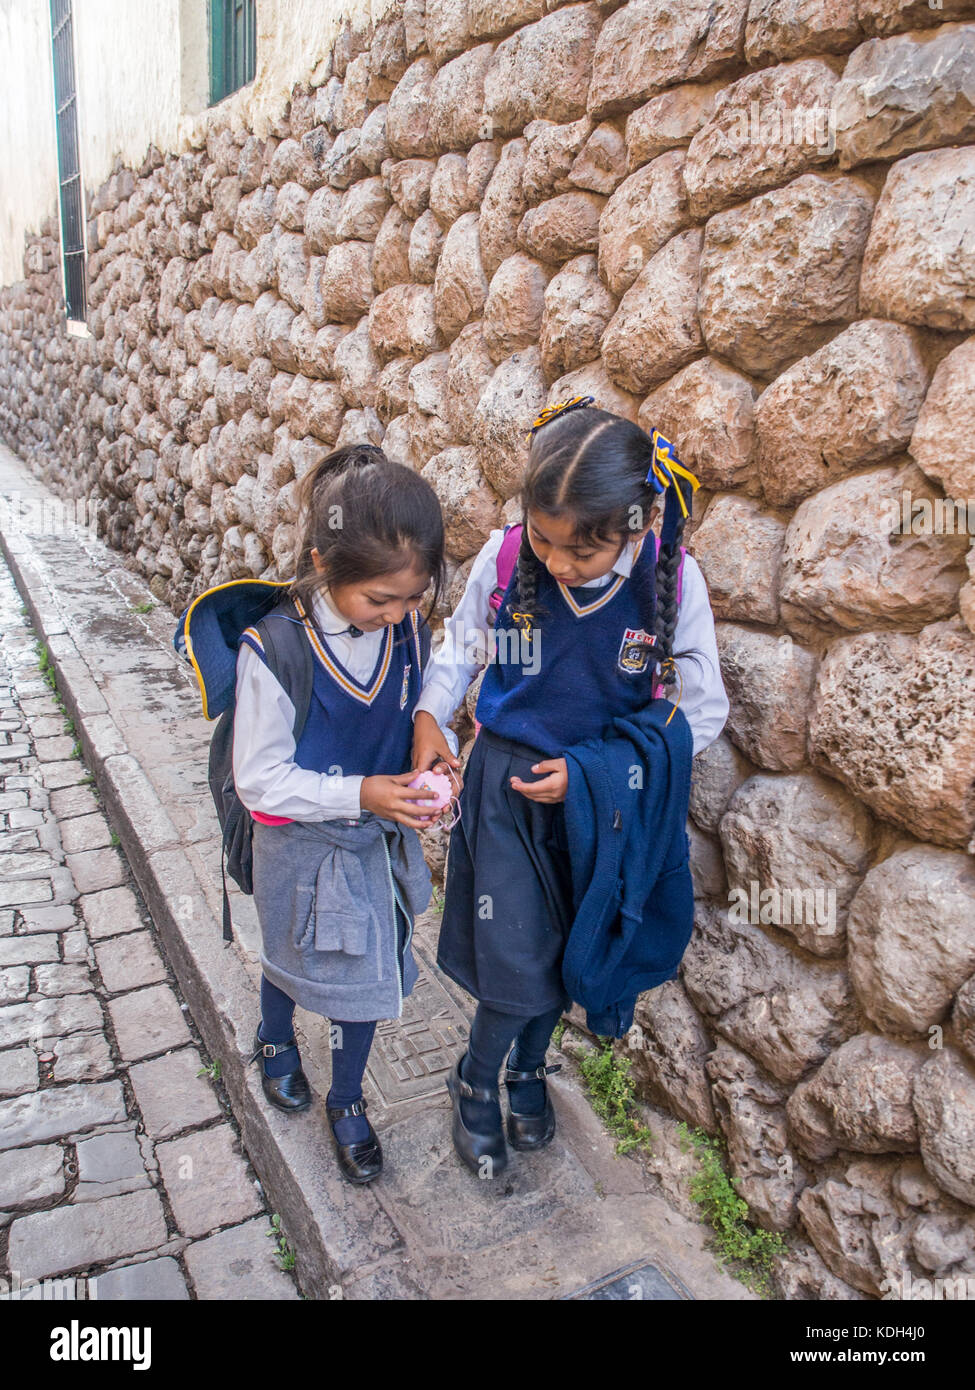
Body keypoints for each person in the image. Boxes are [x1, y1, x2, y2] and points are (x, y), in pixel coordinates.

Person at [412, 399, 730, 1178]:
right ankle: (475, 1080)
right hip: (505, 788)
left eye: (578, 553)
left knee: (560, 958)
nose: (555, 563)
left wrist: (596, 774)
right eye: (544, 540)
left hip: (599, 807)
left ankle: (526, 1073)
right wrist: (429, 716)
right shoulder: (505, 556)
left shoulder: (670, 581)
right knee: (516, 956)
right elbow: (460, 650)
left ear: (632, 525)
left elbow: (704, 708)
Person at [232, 443, 458, 1185]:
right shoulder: (276, 649)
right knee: (290, 953)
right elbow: (259, 780)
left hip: (372, 842)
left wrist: (433, 740)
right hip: (298, 842)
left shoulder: (404, 629)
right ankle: (273, 1038)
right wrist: (359, 791)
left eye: (409, 602)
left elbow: (414, 703)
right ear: (327, 566)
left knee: (370, 973)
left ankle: (348, 1098)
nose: (395, 616)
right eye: (379, 602)